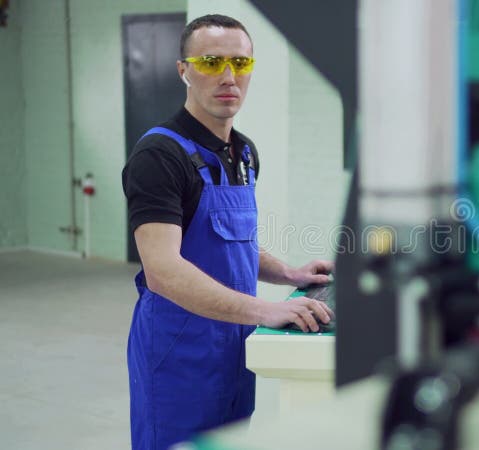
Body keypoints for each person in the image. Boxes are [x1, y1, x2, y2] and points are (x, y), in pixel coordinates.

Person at [121, 14, 334, 450]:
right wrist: (265, 310)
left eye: (241, 63)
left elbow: (230, 245)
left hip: (234, 348)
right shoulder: (159, 155)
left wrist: (290, 275)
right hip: (180, 352)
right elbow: (162, 270)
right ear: (184, 70)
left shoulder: (244, 152)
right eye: (211, 61)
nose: (228, 76)